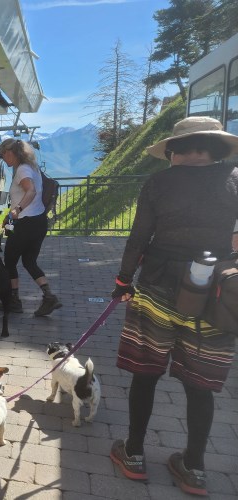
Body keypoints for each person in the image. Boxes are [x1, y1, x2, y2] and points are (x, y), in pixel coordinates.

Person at [109, 116, 238, 497]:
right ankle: (193, 467)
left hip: (157, 288)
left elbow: (138, 238)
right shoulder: (235, 179)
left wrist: (122, 282)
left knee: (145, 373)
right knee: (200, 384)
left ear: (175, 150)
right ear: (214, 149)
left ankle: (133, 453)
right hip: (213, 296)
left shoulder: (159, 183)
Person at [0, 138, 61, 316]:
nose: (4, 160)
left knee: (9, 262)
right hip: (38, 221)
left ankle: (14, 301)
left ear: (11, 153)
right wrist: (9, 217)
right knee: (29, 261)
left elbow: (30, 190)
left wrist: (17, 210)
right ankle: (49, 297)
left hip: (23, 223)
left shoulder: (22, 170)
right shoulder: (33, 167)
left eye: (3, 156)